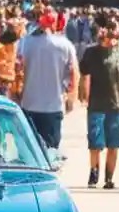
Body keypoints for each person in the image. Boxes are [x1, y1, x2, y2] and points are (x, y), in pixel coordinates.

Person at [16, 9, 78, 155]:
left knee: (29, 153)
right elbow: (74, 73)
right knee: (50, 153)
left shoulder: (25, 42)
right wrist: (71, 98)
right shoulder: (65, 45)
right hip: (53, 106)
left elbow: (18, 70)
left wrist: (16, 94)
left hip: (29, 104)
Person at [79, 17, 119, 189]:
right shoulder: (91, 52)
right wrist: (83, 93)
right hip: (96, 103)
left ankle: (109, 177)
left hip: (115, 103)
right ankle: (94, 172)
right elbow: (84, 72)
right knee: (95, 143)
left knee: (114, 143)